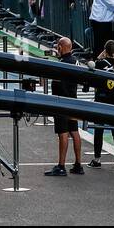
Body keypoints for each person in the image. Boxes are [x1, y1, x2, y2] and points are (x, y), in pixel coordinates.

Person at [44, 37, 83, 177]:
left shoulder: (60, 64)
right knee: (74, 131)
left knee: (63, 133)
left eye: (58, 46)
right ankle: (78, 164)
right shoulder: (76, 62)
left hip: (61, 102)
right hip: (74, 101)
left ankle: (61, 166)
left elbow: (55, 83)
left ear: (61, 47)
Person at [89, 40, 114, 168]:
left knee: (99, 129)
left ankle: (97, 159)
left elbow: (91, 71)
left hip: (101, 99)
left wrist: (99, 57)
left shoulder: (99, 63)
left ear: (105, 51)